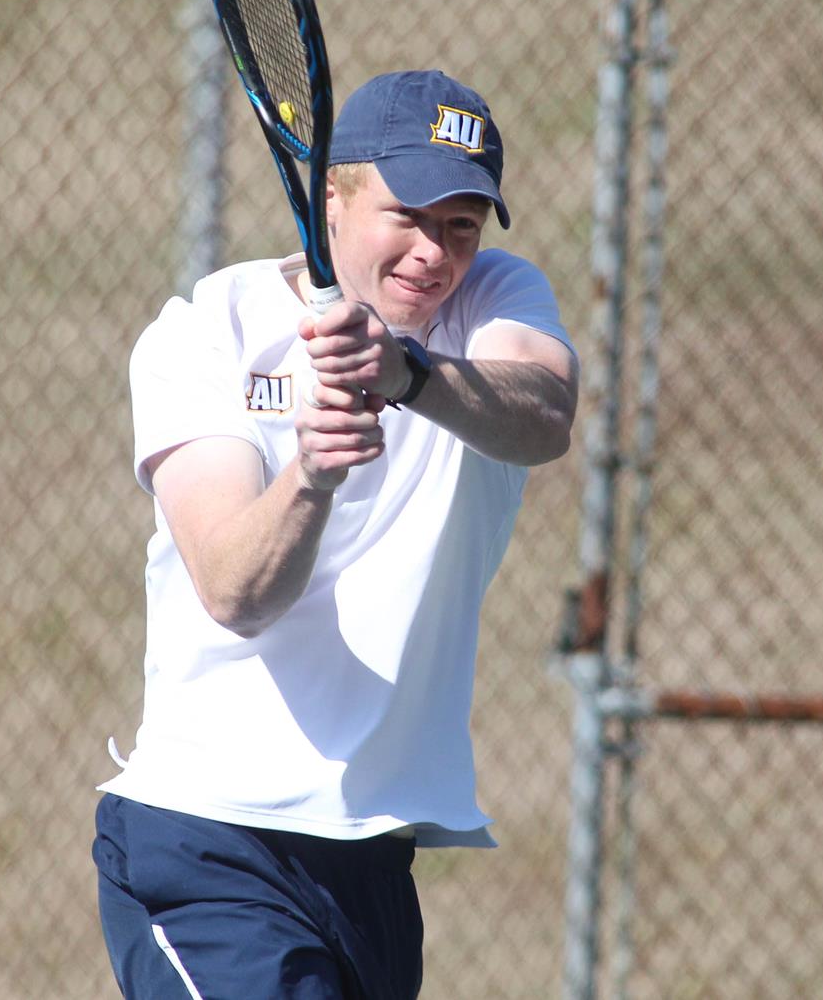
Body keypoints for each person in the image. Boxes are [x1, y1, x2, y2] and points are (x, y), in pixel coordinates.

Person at [94, 69, 578, 999]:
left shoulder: (496, 304)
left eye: (461, 225)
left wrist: (410, 374)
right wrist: (311, 475)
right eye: (408, 214)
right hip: (206, 846)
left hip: (373, 864)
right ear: (332, 195)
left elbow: (543, 413)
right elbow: (237, 590)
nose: (434, 252)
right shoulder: (207, 333)